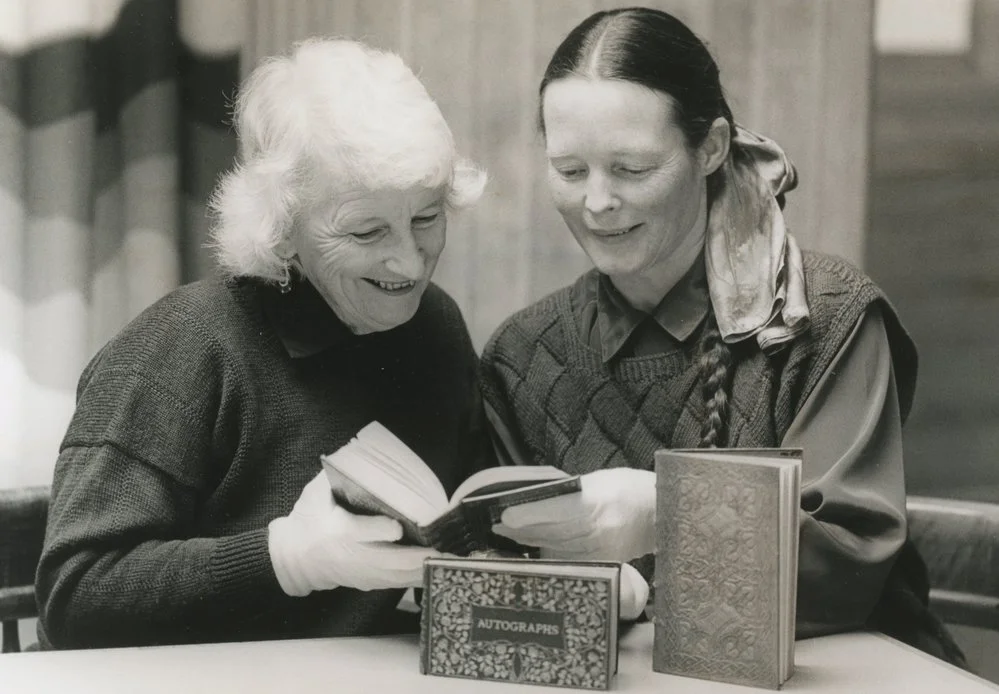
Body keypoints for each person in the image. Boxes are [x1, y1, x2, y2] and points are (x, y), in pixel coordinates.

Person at [482, 7, 965, 665]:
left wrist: (666, 512)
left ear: (709, 147)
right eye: (569, 171)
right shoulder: (521, 355)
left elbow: (847, 573)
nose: (596, 202)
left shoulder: (823, 318)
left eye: (630, 169)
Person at [35, 38, 492, 649]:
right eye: (365, 230)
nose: (409, 262)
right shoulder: (178, 351)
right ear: (280, 231)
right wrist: (283, 559)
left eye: (427, 217)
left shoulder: (435, 326)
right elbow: (74, 598)